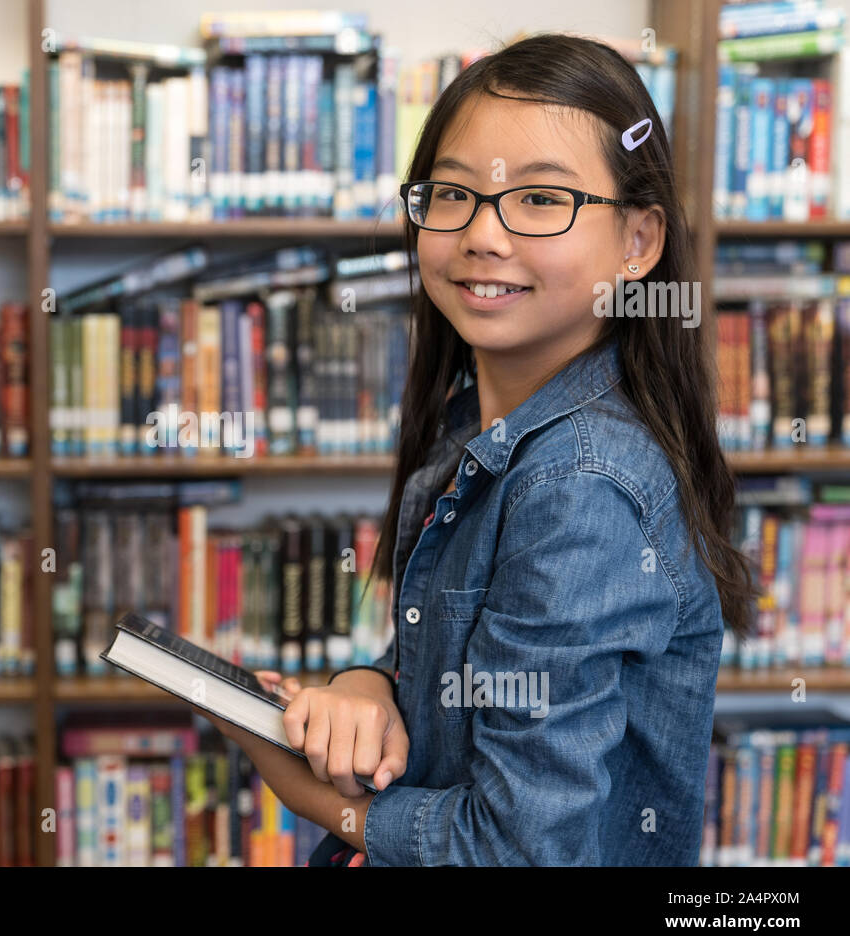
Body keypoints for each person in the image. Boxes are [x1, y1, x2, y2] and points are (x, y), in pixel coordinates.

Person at [193, 33, 755, 866]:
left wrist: (309, 794)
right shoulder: (475, 423)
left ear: (638, 242)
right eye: (453, 193)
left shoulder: (580, 484)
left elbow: (520, 851)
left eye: (540, 200)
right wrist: (369, 686)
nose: (483, 235)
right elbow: (453, 663)